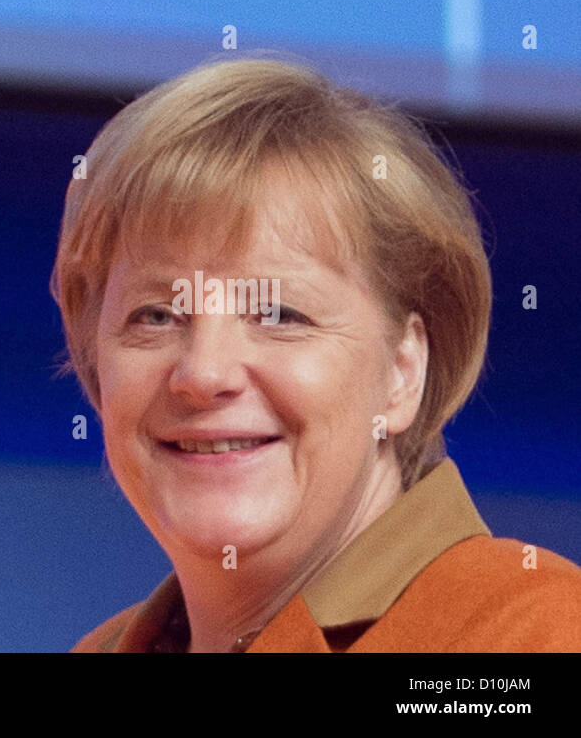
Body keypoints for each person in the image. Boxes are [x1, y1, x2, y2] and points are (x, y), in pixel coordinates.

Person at [50, 56, 581, 652]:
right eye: (155, 316)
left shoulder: (536, 634)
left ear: (403, 371)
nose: (203, 373)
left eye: (278, 314)